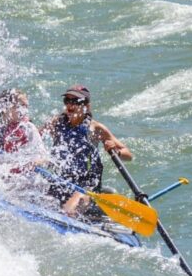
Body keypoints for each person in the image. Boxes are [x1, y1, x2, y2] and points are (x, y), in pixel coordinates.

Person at [40, 85, 132, 217]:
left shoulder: (96, 129)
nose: (70, 105)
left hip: (86, 184)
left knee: (68, 212)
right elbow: (35, 138)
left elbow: (128, 155)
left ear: (87, 106)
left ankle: (96, 202)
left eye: (76, 101)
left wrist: (116, 151)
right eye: (67, 101)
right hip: (62, 179)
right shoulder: (56, 122)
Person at [0, 88, 48, 174]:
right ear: (6, 107)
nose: (25, 111)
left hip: (23, 180)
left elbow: (44, 158)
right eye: (21, 106)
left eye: (26, 106)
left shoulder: (29, 128)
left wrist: (34, 162)